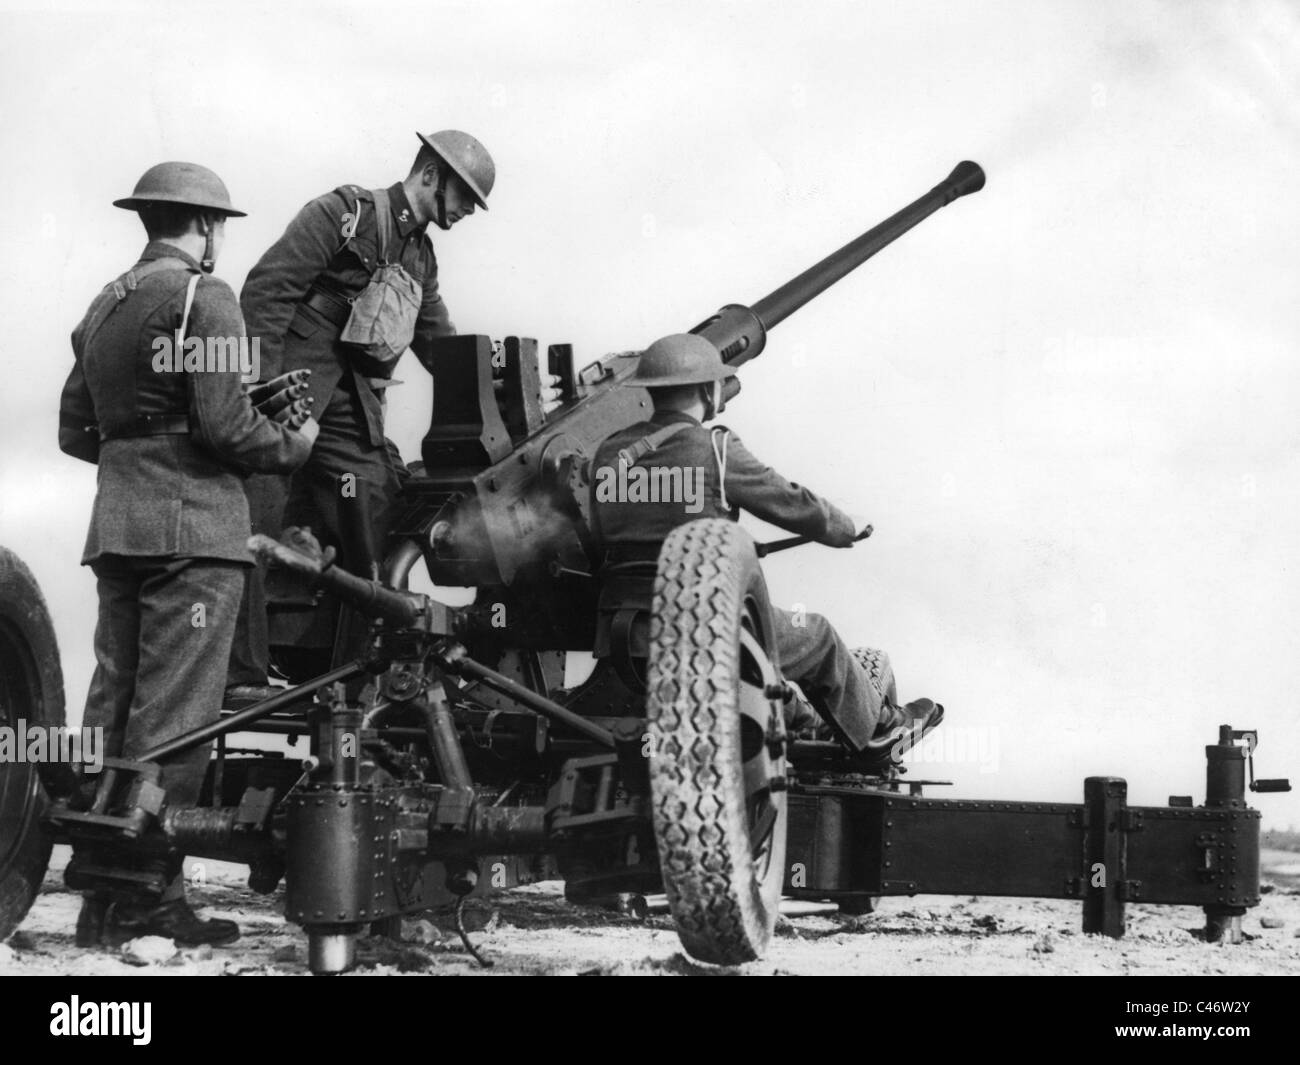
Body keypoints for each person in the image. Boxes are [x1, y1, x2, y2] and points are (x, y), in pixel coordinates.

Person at [58, 161, 316, 946]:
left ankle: (102, 900)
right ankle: (147, 898)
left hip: (118, 528)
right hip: (194, 533)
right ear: (205, 226)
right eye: (220, 227)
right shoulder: (207, 299)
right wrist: (293, 441)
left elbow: (75, 430)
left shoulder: (107, 304)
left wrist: (143, 445)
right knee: (174, 723)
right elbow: (226, 430)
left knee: (114, 706)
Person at [228, 130, 495, 695]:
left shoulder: (421, 256)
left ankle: (355, 677)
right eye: (464, 195)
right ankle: (243, 674)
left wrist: (495, 387)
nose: (467, 210)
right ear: (430, 174)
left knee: (376, 505)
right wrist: (261, 392)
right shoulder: (342, 213)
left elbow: (437, 340)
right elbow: (267, 292)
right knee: (252, 522)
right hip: (293, 388)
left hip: (352, 402)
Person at [590, 332, 944, 754]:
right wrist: (845, 527)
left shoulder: (610, 454)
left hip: (624, 632)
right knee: (818, 636)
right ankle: (877, 731)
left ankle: (795, 713)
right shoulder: (715, 449)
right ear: (709, 388)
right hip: (705, 629)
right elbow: (789, 501)